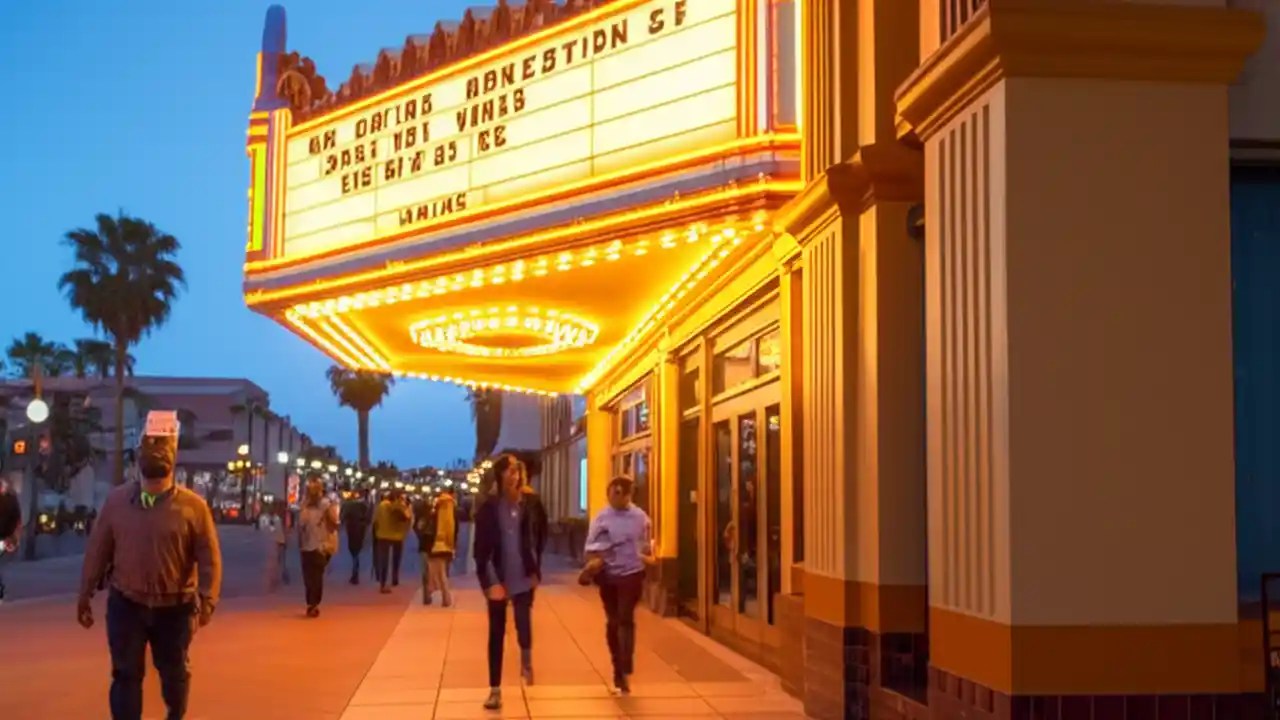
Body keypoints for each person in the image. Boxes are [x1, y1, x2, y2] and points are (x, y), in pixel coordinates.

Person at [77, 411, 222, 720]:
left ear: (174, 455)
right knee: (126, 674)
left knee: (173, 673)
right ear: (137, 453)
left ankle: (174, 714)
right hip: (127, 603)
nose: (156, 453)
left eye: (163, 446)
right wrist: (84, 593)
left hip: (176, 607)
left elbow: (209, 558)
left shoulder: (194, 507)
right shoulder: (117, 502)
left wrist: (207, 601)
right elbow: (98, 549)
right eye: (149, 445)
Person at [473, 454, 548, 710]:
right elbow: (480, 551)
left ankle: (526, 658)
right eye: (508, 471)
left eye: (517, 470)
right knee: (496, 632)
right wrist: (488, 582)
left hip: (524, 575)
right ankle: (495, 689)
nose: (513, 475)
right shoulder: (489, 508)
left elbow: (541, 534)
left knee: (523, 623)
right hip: (498, 577)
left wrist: (536, 567)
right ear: (500, 475)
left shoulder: (531, 503)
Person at [584, 476, 655, 695]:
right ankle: (618, 668)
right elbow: (589, 547)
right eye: (611, 494)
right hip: (609, 575)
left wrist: (647, 556)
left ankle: (626, 663)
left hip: (632, 574)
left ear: (627, 495)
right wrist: (595, 560)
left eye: (619, 494)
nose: (614, 498)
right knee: (614, 621)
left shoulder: (640, 518)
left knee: (626, 617)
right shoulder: (601, 518)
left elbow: (647, 544)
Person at [297, 475, 339, 617]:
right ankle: (312, 604)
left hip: (320, 545)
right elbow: (300, 527)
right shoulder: (305, 506)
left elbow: (333, 524)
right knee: (311, 577)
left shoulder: (325, 505)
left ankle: (313, 603)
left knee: (314, 576)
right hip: (310, 545)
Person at [417, 490, 458, 606]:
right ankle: (443, 597)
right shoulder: (452, 511)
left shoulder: (433, 512)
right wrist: (453, 545)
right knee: (442, 572)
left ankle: (431, 594)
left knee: (432, 572)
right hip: (444, 545)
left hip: (433, 545)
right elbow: (454, 530)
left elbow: (421, 527)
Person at [372, 489, 412, 594]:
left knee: (383, 560)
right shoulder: (401, 506)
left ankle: (383, 583)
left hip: (382, 535)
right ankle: (395, 578)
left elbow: (375, 520)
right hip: (397, 536)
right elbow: (408, 517)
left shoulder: (381, 506)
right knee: (396, 558)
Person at [341, 491, 370, 585]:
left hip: (352, 528)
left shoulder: (348, 505)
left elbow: (342, 517)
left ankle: (355, 572)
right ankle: (355, 571)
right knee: (357, 550)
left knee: (354, 550)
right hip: (361, 528)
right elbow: (368, 518)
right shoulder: (364, 506)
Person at [0, 478, 22, 603]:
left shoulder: (9, 500)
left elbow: (16, 520)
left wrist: (13, 538)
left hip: (4, 536)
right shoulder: (10, 500)